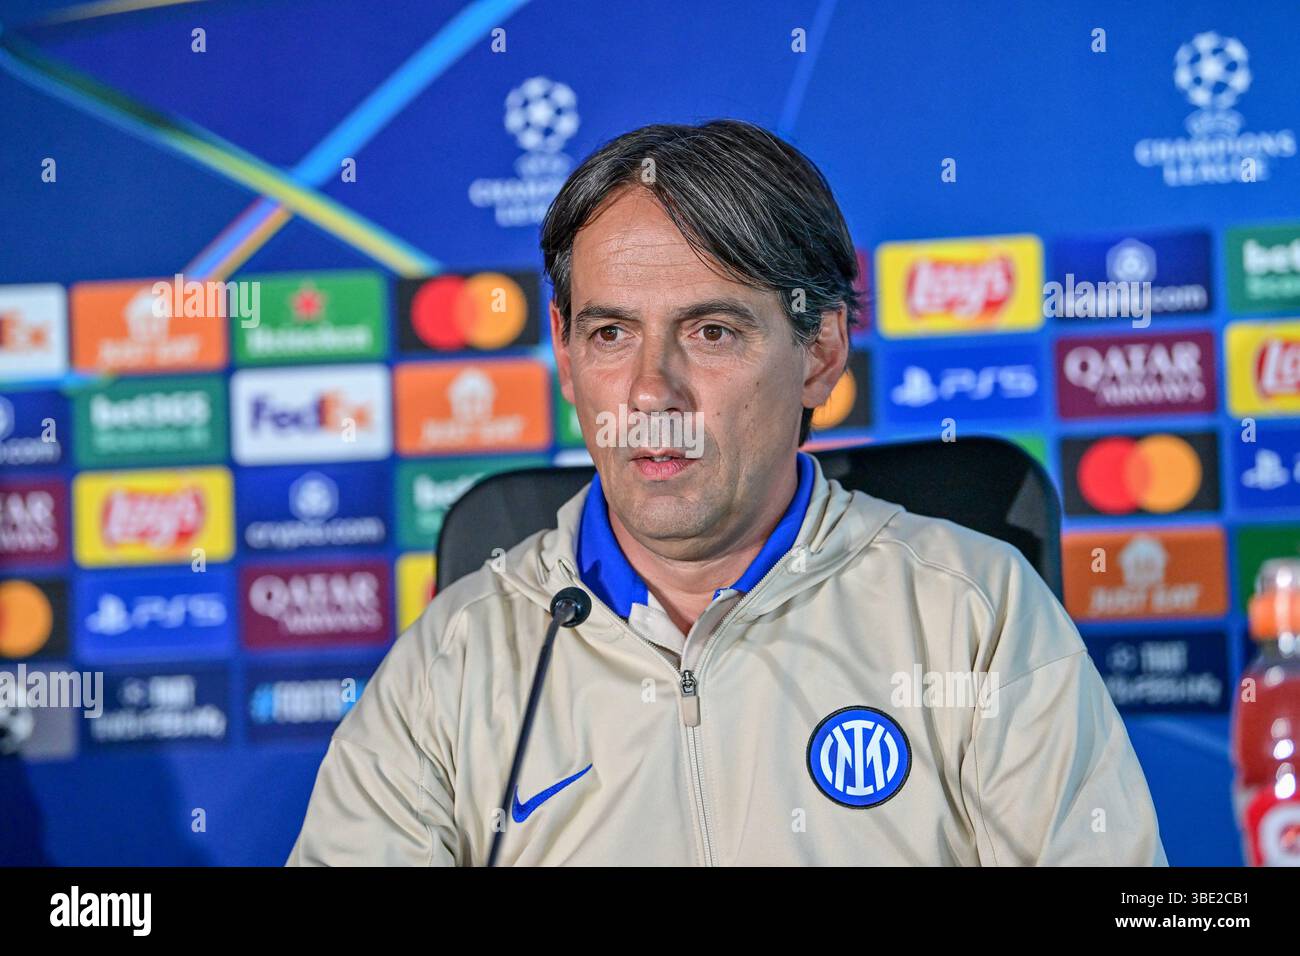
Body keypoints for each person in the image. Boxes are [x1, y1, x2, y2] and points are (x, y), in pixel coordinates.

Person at [287, 119, 1167, 866]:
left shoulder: (977, 616)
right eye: (610, 333)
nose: (650, 392)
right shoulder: (453, 663)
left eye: (711, 330)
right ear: (562, 352)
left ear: (820, 351)